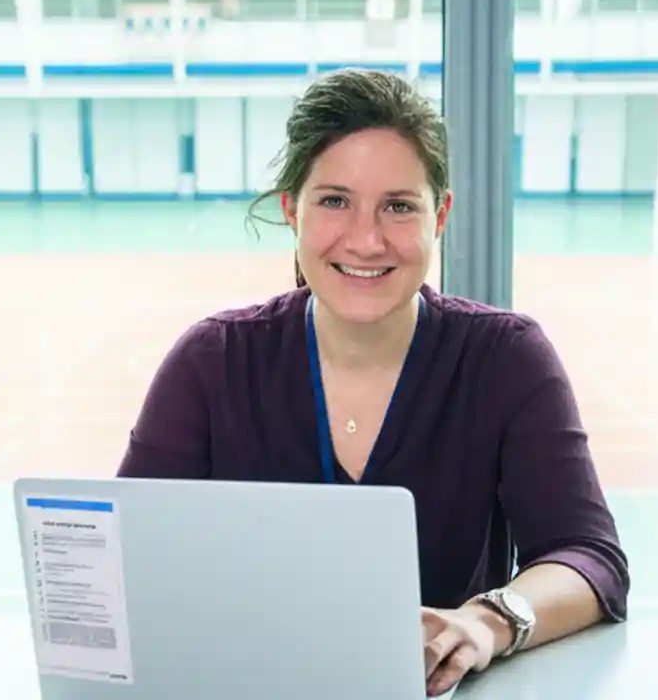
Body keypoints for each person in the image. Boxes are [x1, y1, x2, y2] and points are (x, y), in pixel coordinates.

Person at [117, 68, 628, 696]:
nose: (366, 239)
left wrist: (487, 623)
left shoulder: (505, 359)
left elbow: (588, 557)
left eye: (398, 206)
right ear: (291, 210)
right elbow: (125, 560)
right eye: (334, 200)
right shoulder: (212, 362)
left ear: (438, 215)